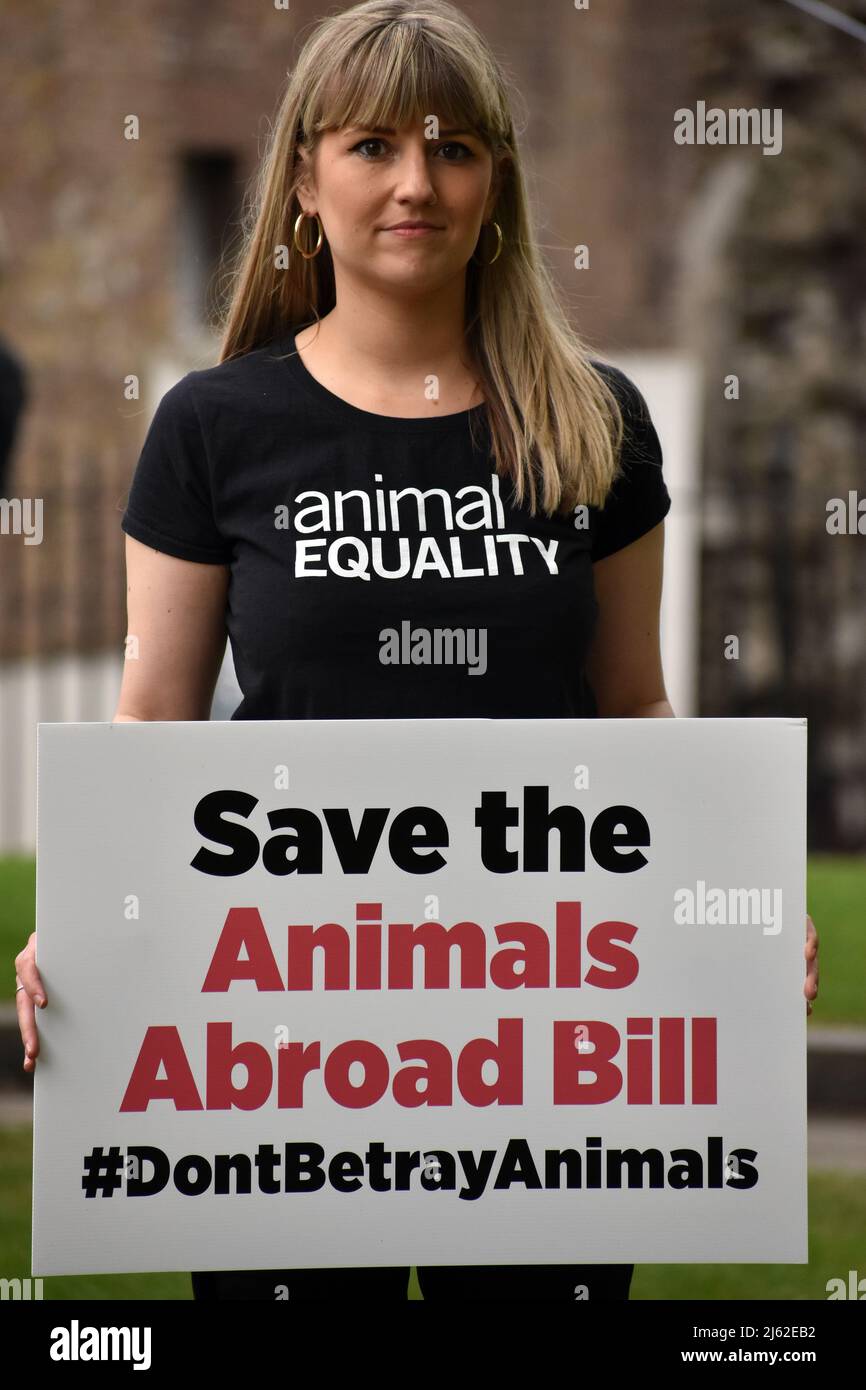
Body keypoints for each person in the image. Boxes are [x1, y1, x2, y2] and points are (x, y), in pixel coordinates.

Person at [14, 0, 819, 1301]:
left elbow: (634, 707)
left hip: (549, 1024)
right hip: (276, 1024)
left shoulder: (592, 418)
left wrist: (737, 900)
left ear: (495, 180)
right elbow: (151, 724)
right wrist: (84, 926)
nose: (413, 182)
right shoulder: (215, 426)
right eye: (372, 145)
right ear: (303, 176)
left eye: (452, 148)